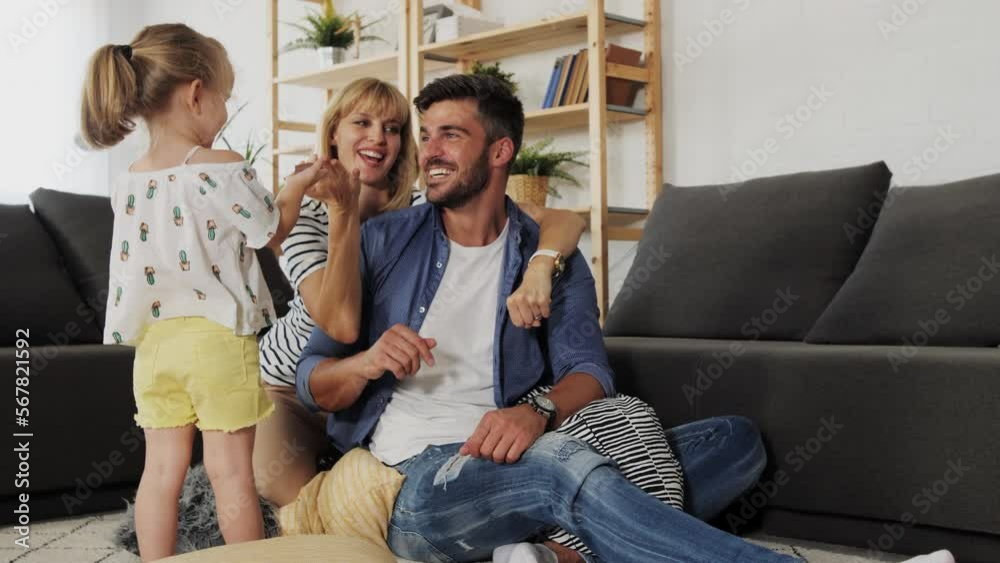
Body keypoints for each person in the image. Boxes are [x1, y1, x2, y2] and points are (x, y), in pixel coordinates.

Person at [293, 73, 802, 562]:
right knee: (562, 468)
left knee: (732, 440)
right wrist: (367, 363)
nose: (429, 152)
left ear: (499, 151)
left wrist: (535, 410)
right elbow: (313, 378)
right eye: (425, 136)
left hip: (522, 450)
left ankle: (550, 554)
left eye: (450, 136)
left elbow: (590, 373)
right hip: (419, 483)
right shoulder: (383, 242)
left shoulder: (548, 258)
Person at [253, 78, 589, 508]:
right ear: (333, 133)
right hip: (291, 387)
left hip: (373, 391)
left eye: (393, 128)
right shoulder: (309, 218)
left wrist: (541, 265)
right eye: (362, 122)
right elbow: (340, 321)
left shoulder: (423, 206)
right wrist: (341, 210)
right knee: (293, 502)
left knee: (372, 501)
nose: (378, 137)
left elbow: (561, 219)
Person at [82, 24, 330, 561]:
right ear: (196, 94)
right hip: (218, 341)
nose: (224, 108)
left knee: (160, 473)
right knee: (232, 474)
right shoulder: (219, 168)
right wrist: (297, 185)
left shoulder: (128, 179)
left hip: (154, 349)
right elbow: (271, 230)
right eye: (225, 95)